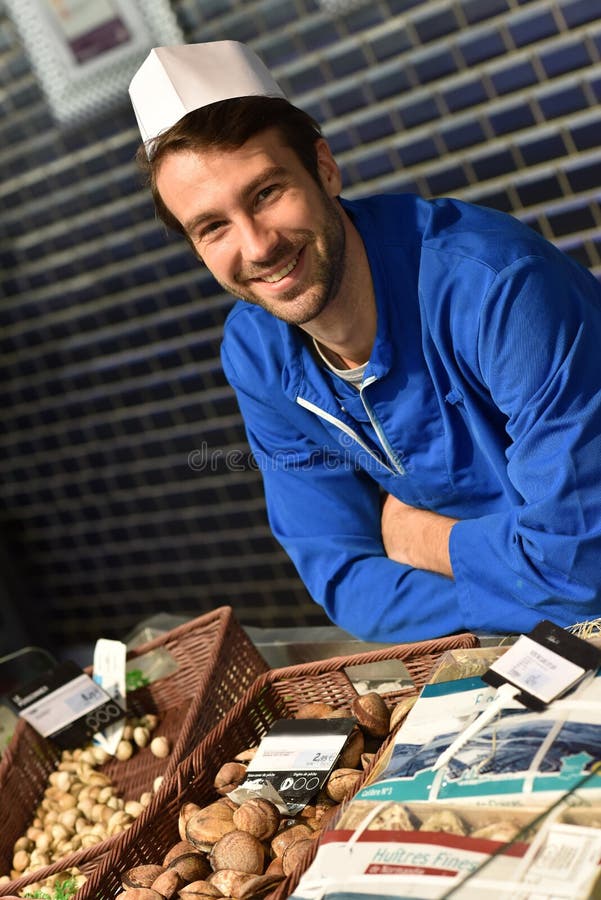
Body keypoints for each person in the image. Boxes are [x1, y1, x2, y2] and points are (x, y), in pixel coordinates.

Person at [128, 41, 601, 642]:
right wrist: (527, 583)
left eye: (267, 193)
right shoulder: (257, 355)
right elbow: (348, 584)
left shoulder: (496, 289)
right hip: (538, 645)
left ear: (324, 169)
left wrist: (427, 540)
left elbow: (585, 562)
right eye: (213, 227)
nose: (256, 246)